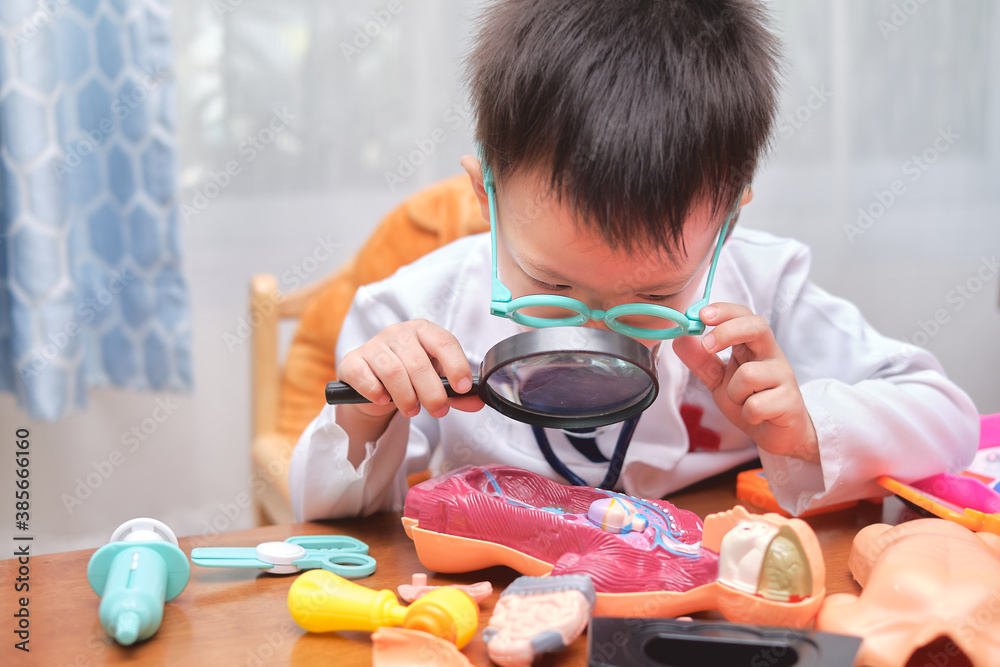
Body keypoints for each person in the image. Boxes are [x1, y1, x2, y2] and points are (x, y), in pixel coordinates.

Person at [289, 0, 979, 521]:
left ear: (726, 224)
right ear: (485, 196)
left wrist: (807, 424)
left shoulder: (765, 288)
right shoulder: (416, 310)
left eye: (652, 296)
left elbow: (949, 421)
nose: (595, 332)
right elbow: (324, 514)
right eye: (552, 286)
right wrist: (366, 415)